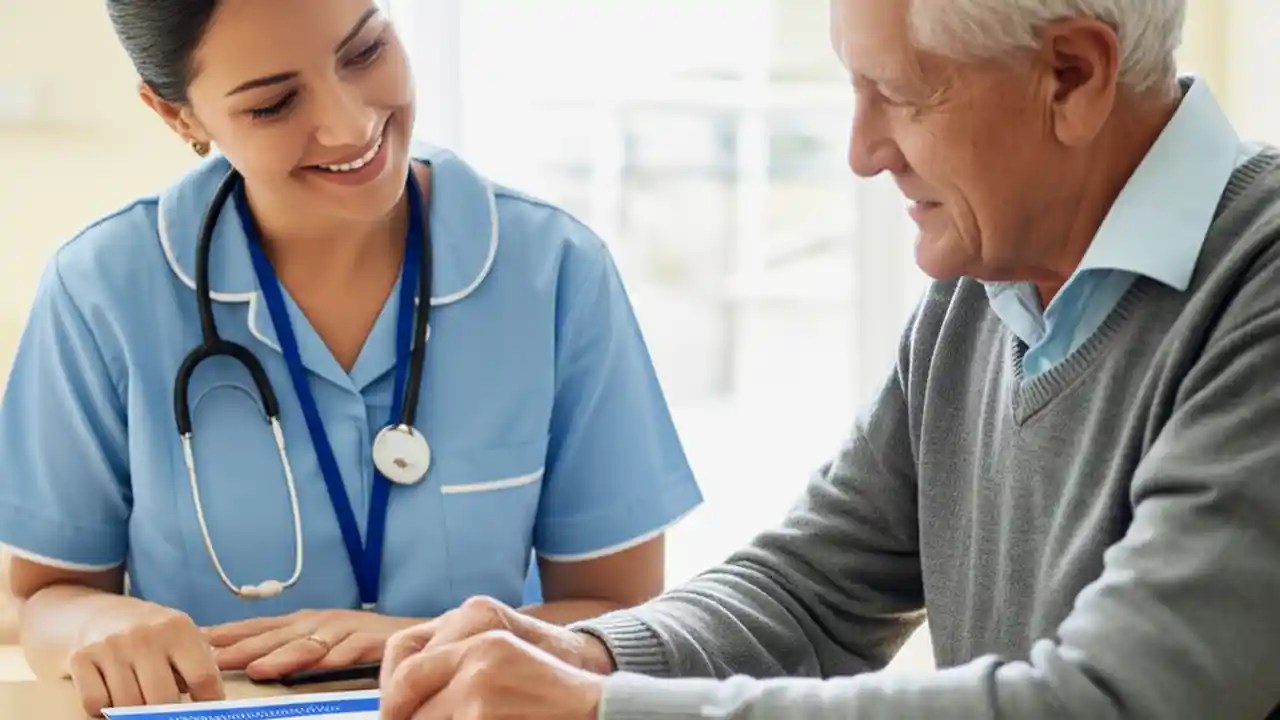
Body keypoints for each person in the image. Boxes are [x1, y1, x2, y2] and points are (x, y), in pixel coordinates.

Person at [374, 0, 1280, 718]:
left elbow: (1125, 699)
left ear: (1072, 75)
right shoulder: (988, 281)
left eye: (904, 93)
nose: (861, 151)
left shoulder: (1259, 290)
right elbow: (813, 586)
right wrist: (590, 652)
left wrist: (602, 709)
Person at [0, 0, 703, 715]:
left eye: (364, 53)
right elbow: (42, 597)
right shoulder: (103, 289)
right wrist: (101, 623)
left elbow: (622, 616)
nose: (351, 124)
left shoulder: (554, 272)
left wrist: (420, 643)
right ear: (178, 116)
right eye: (274, 104)